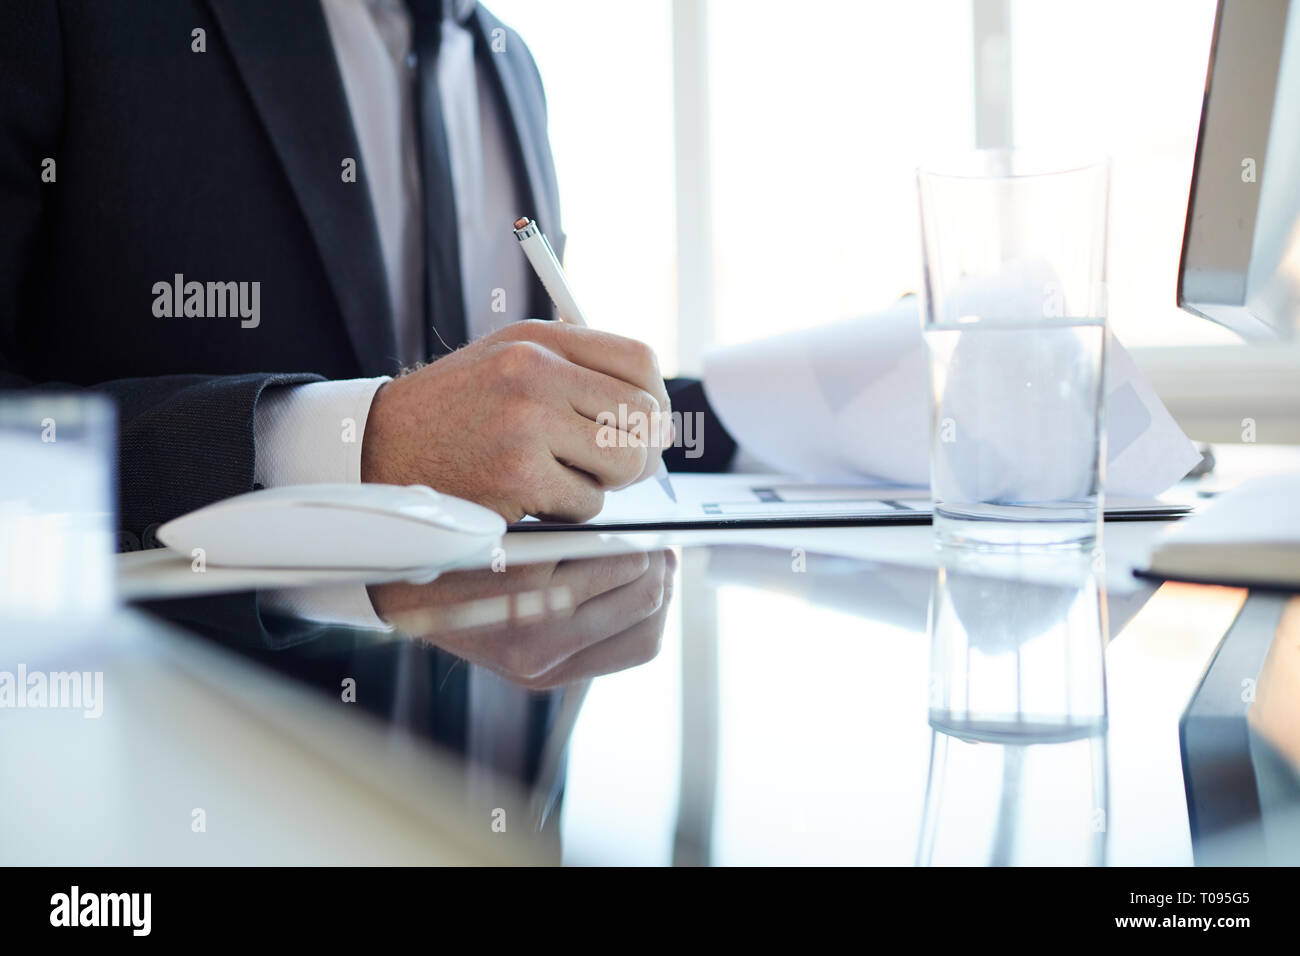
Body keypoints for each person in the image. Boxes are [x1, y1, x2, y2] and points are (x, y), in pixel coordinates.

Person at [0, 0, 734, 541]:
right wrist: (357, 441)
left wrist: (773, 414)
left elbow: (499, 404)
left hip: (499, 695)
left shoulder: (514, 68)